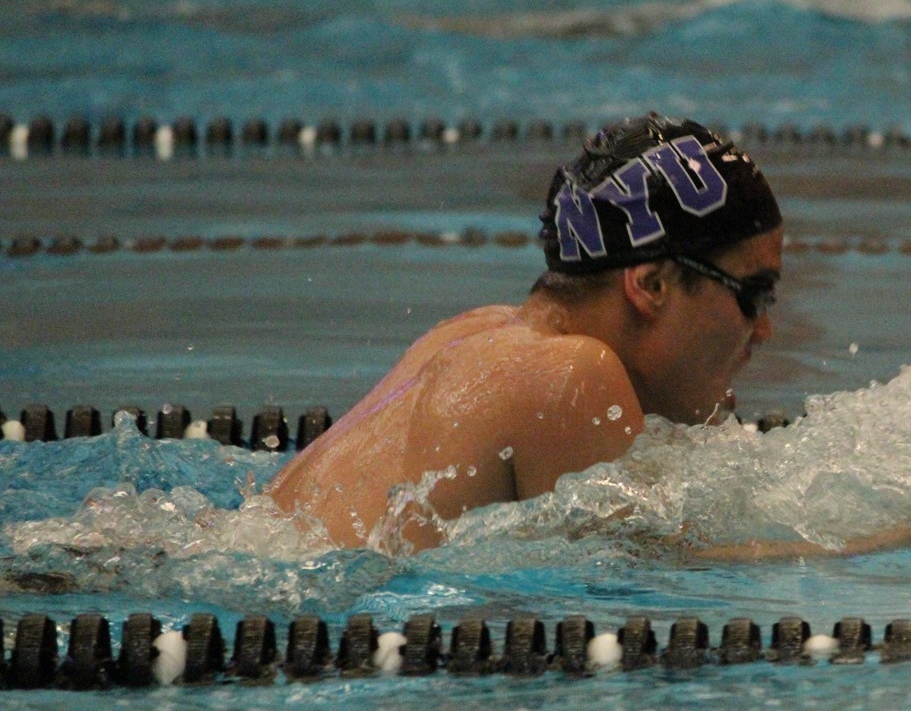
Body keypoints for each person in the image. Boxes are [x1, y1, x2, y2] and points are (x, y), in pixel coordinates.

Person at [267, 114, 784, 553]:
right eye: (753, 294)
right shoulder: (567, 374)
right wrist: (861, 546)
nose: (763, 329)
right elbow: (671, 580)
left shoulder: (478, 330)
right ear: (651, 285)